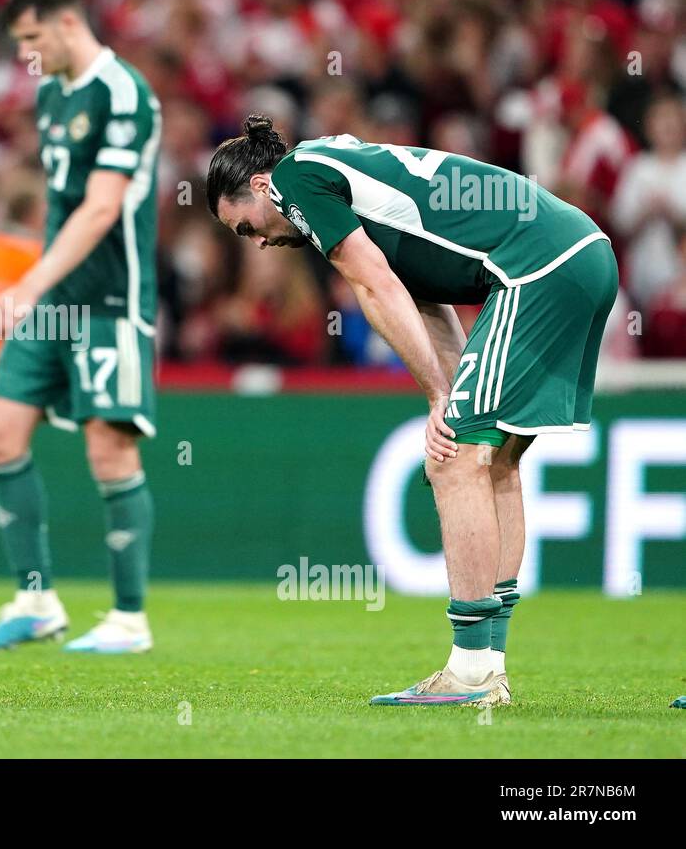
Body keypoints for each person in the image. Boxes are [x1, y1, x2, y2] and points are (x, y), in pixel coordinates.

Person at [206, 115, 618, 707]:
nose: (259, 242)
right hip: (581, 254)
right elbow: (425, 297)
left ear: (265, 186)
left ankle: (471, 669)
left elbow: (375, 286)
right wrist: (450, 389)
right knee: (492, 460)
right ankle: (487, 664)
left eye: (246, 228)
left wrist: (437, 399)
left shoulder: (298, 180)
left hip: (537, 269)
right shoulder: (345, 175)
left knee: (454, 460)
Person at [0, 0, 162, 654]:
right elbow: (60, 202)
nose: (27, 54)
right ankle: (36, 599)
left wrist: (27, 284)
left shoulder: (125, 94)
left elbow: (103, 205)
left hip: (110, 301)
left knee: (109, 448)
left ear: (67, 22)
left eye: (31, 37)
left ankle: (130, 619)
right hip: (54, 298)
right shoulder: (52, 94)